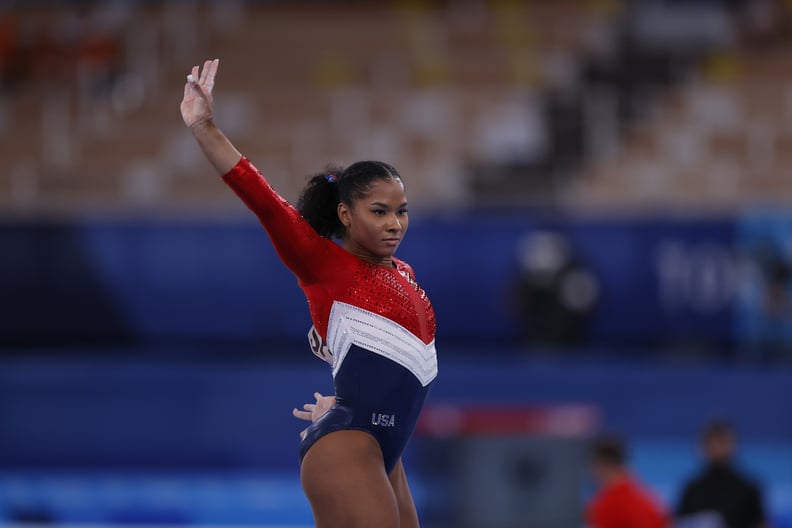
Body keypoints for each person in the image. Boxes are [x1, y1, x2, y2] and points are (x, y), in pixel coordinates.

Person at [180, 59, 437, 528]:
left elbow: (375, 356)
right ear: (344, 214)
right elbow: (263, 200)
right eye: (379, 212)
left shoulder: (405, 272)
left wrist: (345, 395)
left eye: (402, 211)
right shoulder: (320, 262)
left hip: (384, 452)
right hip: (350, 447)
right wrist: (204, 127)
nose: (394, 223)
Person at [676, 420, 767, 528]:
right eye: (712, 443)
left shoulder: (748, 488)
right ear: (703, 447)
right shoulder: (692, 489)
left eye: (723, 442)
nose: (718, 448)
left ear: (734, 445)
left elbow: (761, 524)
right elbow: (679, 522)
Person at [586, 434, 668, 528]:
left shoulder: (606, 505)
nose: (591, 471)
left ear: (602, 463)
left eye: (592, 465)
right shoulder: (649, 499)